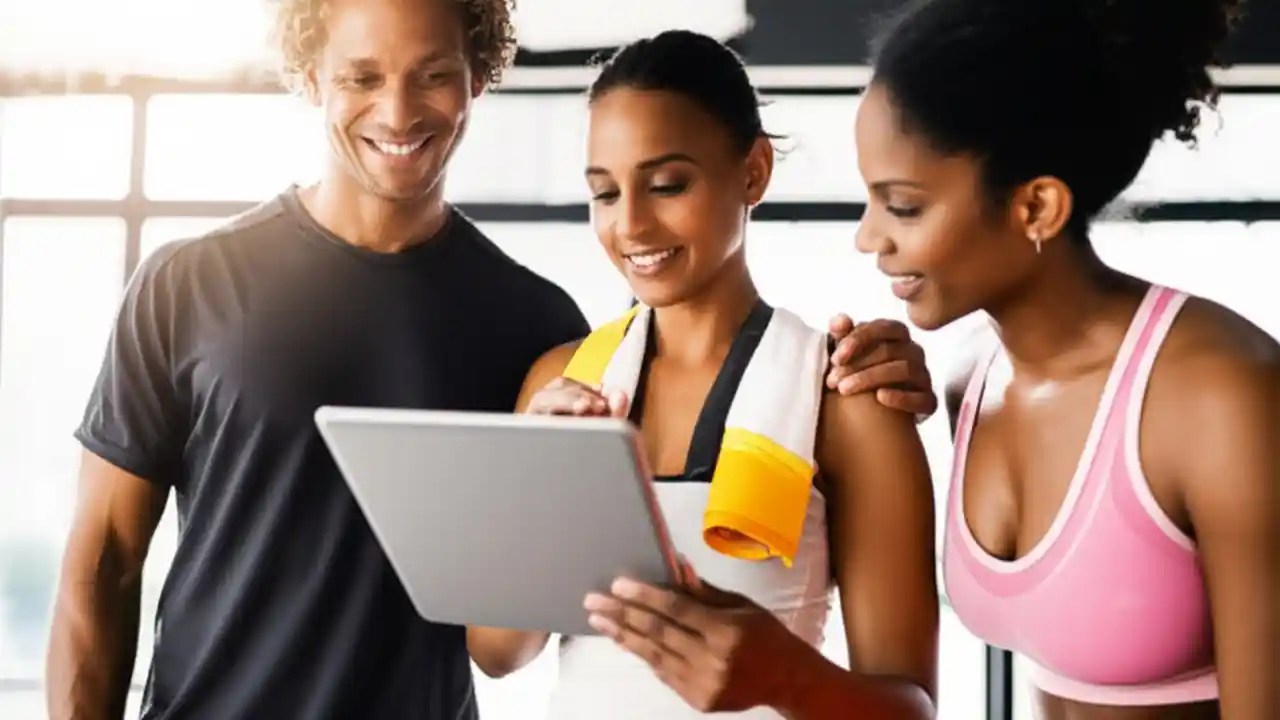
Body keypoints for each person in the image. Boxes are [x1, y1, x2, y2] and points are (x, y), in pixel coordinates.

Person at [42, 2, 935, 719]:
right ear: (311, 75)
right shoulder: (189, 286)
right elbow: (104, 561)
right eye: (603, 192)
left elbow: (501, 648)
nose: (398, 111)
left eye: (434, 74)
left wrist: (786, 678)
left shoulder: (537, 328)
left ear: (479, 75)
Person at [467, 30, 940, 720]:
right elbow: (498, 654)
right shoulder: (560, 381)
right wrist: (541, 482)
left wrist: (784, 678)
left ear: (753, 171)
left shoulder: (843, 400)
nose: (630, 225)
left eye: (666, 185)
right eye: (604, 193)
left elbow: (914, 709)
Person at [845, 0, 1279, 718]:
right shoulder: (966, 379)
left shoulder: (1219, 396)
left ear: (1037, 207)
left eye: (904, 207)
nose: (869, 238)